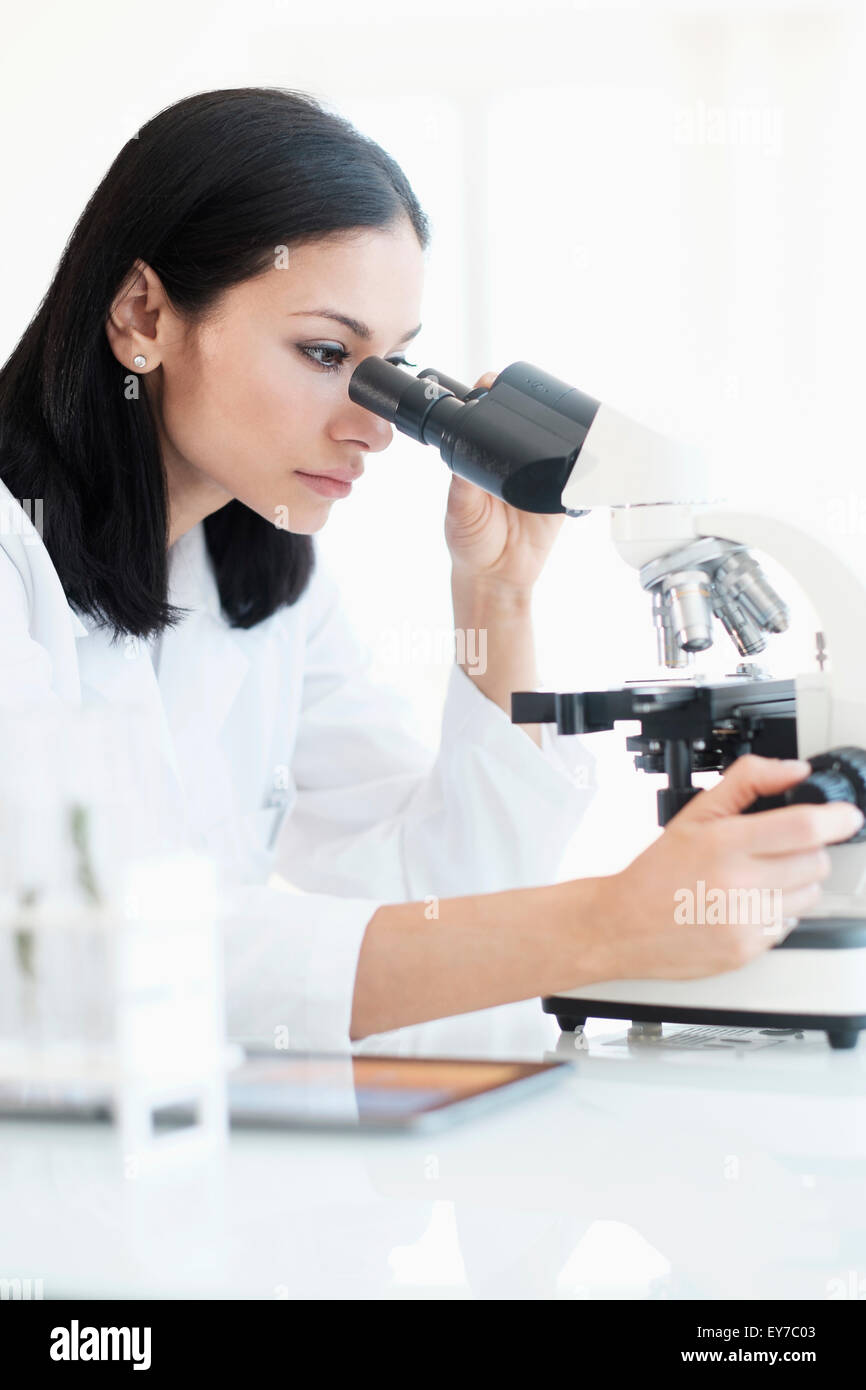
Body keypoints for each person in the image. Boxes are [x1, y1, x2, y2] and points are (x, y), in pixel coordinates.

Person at [0, 87, 859, 1051]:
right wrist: (611, 923)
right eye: (325, 351)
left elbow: (442, 894)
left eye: (392, 371)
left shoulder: (259, 576)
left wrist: (497, 594)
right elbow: (85, 959)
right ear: (143, 315)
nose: (373, 426)